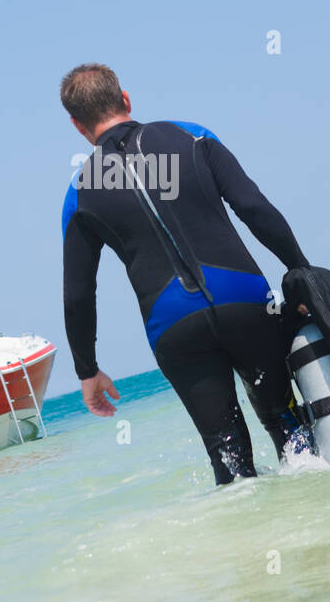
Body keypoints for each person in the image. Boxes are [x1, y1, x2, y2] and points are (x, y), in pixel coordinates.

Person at [60, 63, 310, 485]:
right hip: (245, 300)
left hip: (173, 324)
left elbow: (78, 294)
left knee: (229, 458)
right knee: (289, 428)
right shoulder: (193, 136)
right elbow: (254, 208)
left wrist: (88, 370)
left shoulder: (80, 191)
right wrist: (300, 272)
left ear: (77, 125)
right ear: (125, 99)